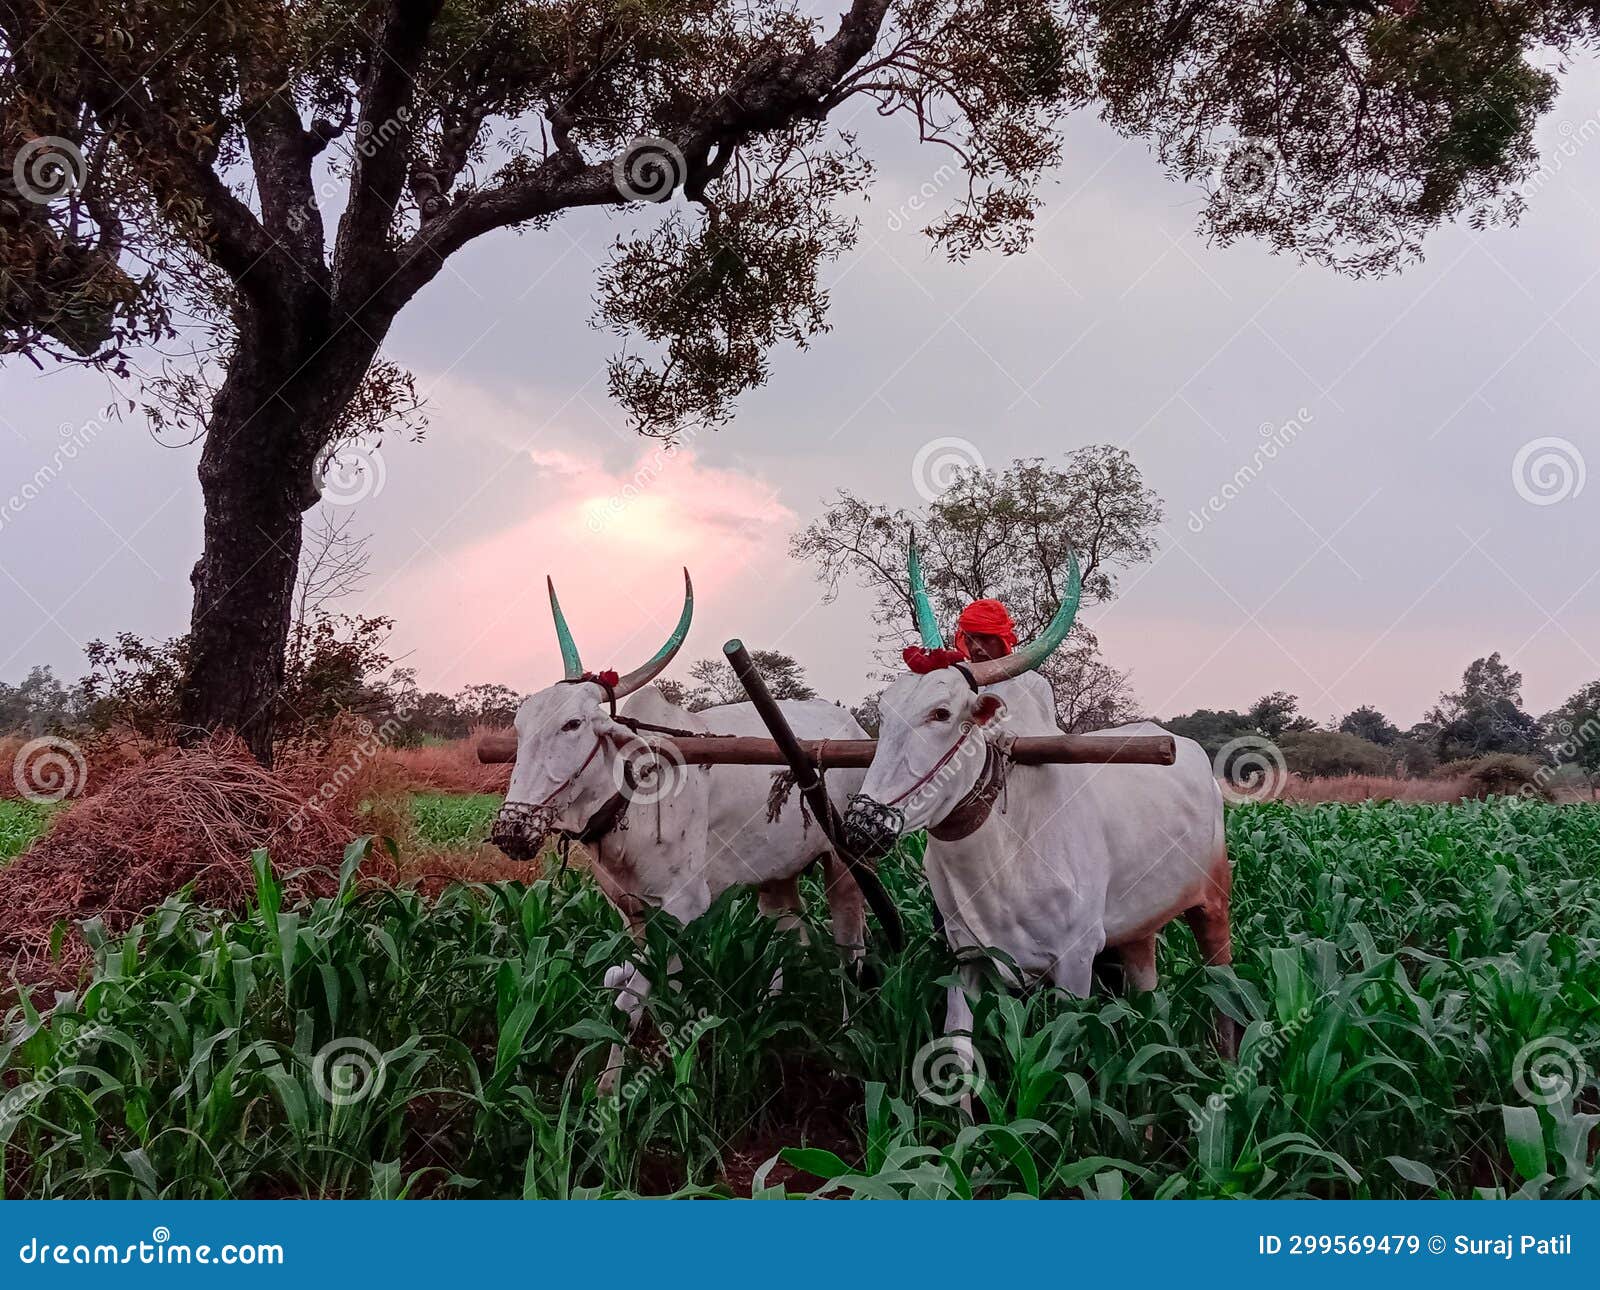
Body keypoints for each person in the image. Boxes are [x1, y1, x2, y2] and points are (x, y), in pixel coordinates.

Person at [953, 598, 1018, 663]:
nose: (975, 647)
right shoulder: (957, 672)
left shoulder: (1026, 672)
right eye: (969, 640)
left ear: (1003, 641)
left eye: (985, 638)